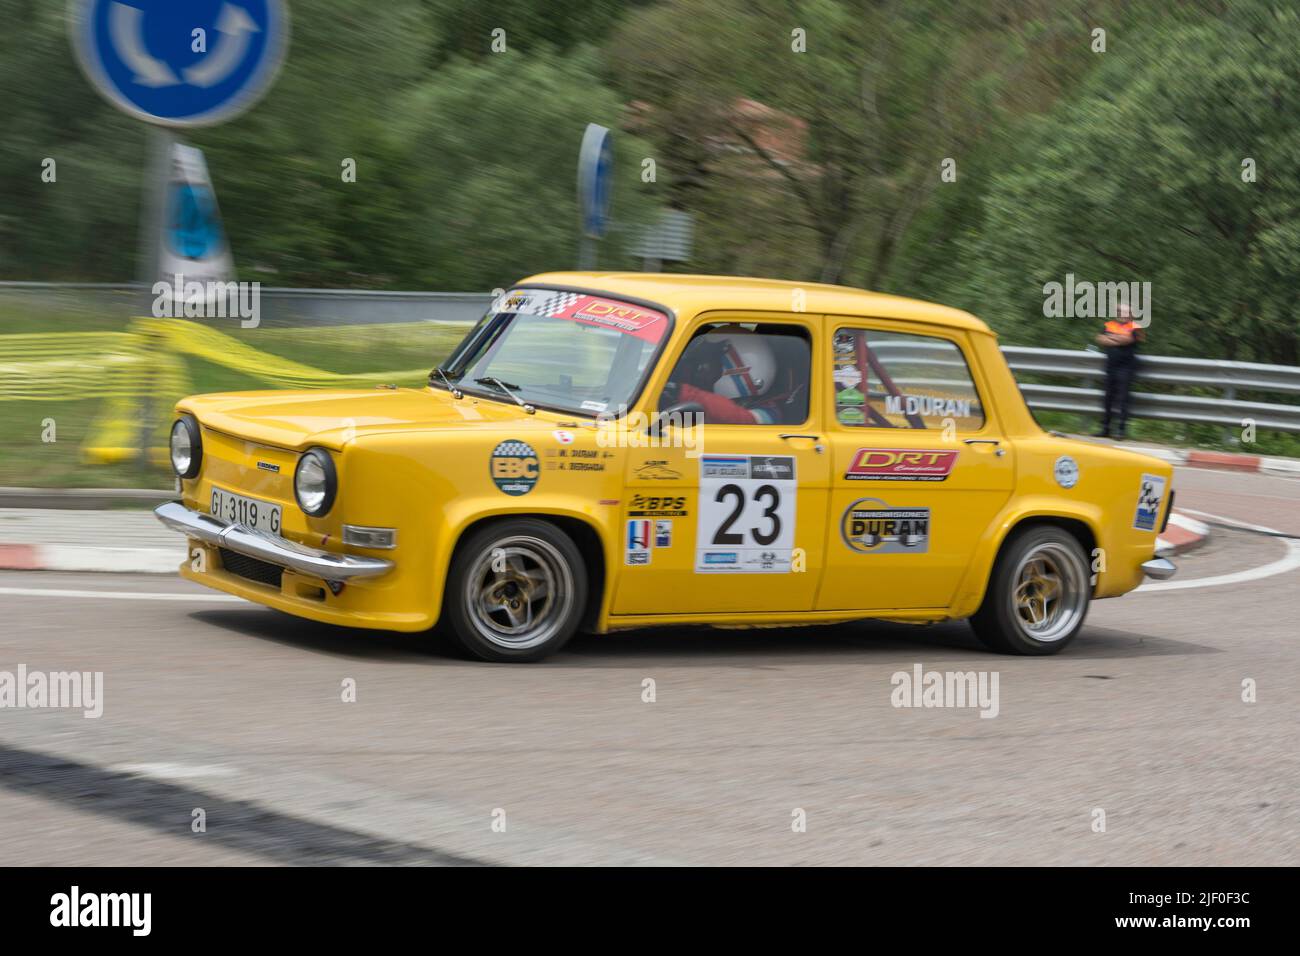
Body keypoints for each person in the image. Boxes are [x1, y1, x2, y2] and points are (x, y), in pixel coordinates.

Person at [659, 328, 784, 424]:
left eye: (708, 366)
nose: (701, 373)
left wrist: (683, 394)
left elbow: (743, 418)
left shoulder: (770, 413)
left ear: (739, 369)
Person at [1095, 303, 1144, 439]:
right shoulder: (1108, 324)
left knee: (1123, 399)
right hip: (1110, 367)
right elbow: (1100, 338)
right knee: (1107, 398)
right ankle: (1105, 429)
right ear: (1117, 313)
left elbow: (1128, 339)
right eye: (1122, 312)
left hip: (1126, 368)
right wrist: (1117, 339)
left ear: (1131, 315)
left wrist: (1110, 338)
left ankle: (1120, 430)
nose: (1124, 315)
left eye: (1127, 313)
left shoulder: (1136, 327)